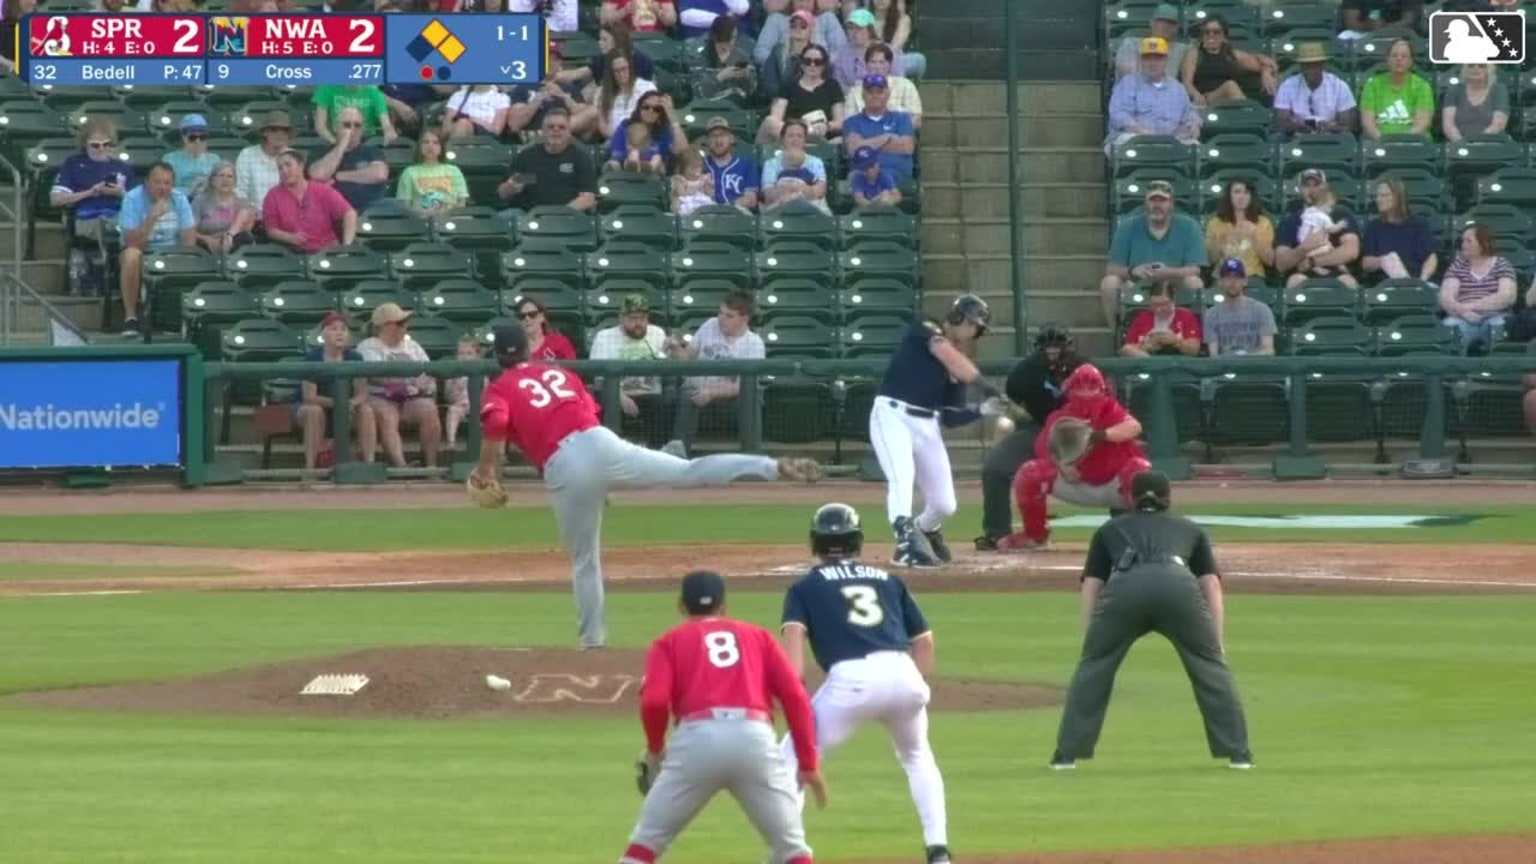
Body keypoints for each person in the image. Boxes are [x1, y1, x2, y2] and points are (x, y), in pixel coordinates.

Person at [471, 325, 824, 651]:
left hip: (563, 464)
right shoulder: (559, 372)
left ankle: (593, 644)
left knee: (585, 560)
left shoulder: (500, 387)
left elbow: (498, 421)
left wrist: (486, 470)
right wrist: (602, 482)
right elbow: (589, 416)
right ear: (526, 351)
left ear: (497, 356)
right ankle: (770, 466)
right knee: (689, 470)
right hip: (601, 442)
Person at [776, 503, 952, 864]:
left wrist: (795, 705)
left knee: (789, 759)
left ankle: (788, 853)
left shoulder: (804, 587)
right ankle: (938, 851)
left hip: (851, 681)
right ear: (857, 541)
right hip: (905, 673)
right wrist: (915, 688)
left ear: (816, 543)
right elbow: (925, 641)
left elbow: (793, 657)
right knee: (918, 757)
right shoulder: (888, 579)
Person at [1049, 471, 1254, 771]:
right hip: (1178, 588)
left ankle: (1066, 755)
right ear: (1169, 498)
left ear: (1130, 498)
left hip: (1125, 589)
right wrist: (1216, 642)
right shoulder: (1190, 529)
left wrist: (1090, 639)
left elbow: (1092, 584)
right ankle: (1239, 754)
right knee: (1211, 669)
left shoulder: (1110, 529)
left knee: (1094, 668)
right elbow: (1211, 585)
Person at [620, 569, 825, 864]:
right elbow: (795, 697)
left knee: (644, 846)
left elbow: (654, 702)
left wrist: (655, 748)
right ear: (724, 606)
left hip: (696, 742)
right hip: (754, 739)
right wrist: (807, 762)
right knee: (792, 850)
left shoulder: (668, 642)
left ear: (681, 606)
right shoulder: (759, 637)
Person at [870, 294, 1004, 568]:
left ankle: (924, 528)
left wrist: (983, 410)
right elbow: (945, 353)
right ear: (957, 317)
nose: (972, 332)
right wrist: (987, 386)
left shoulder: (958, 364)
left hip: (927, 424)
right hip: (892, 414)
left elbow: (951, 418)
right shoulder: (927, 327)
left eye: (976, 329)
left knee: (945, 504)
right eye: (971, 324)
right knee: (901, 477)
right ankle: (905, 543)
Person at [998, 364, 1152, 552]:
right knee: (1030, 472)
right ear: (1070, 390)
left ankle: (1144, 536)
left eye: (1091, 388)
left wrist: (1098, 435)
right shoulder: (1060, 417)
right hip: (1075, 482)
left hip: (1115, 485)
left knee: (1140, 469)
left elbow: (1134, 427)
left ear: (1103, 389)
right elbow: (1044, 448)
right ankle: (1035, 536)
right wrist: (1062, 465)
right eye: (1080, 388)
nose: (1086, 393)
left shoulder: (1111, 410)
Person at [975, 324, 1080, 551]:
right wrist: (1014, 415)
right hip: (1038, 429)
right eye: (1047, 349)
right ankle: (997, 533)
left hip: (1079, 432)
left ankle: (1128, 534)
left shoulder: (1085, 369)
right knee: (994, 469)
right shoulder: (1024, 372)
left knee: (1122, 470)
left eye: (1057, 348)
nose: (1053, 354)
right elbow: (1012, 404)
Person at [115, 161, 196, 335]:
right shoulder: (132, 198)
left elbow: (189, 241)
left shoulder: (179, 199)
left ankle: (177, 318)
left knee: (192, 259)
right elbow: (132, 243)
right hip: (142, 252)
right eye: (157, 182)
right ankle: (130, 317)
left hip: (170, 252)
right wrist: (151, 217)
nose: (162, 187)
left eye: (167, 183)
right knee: (131, 256)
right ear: (147, 182)